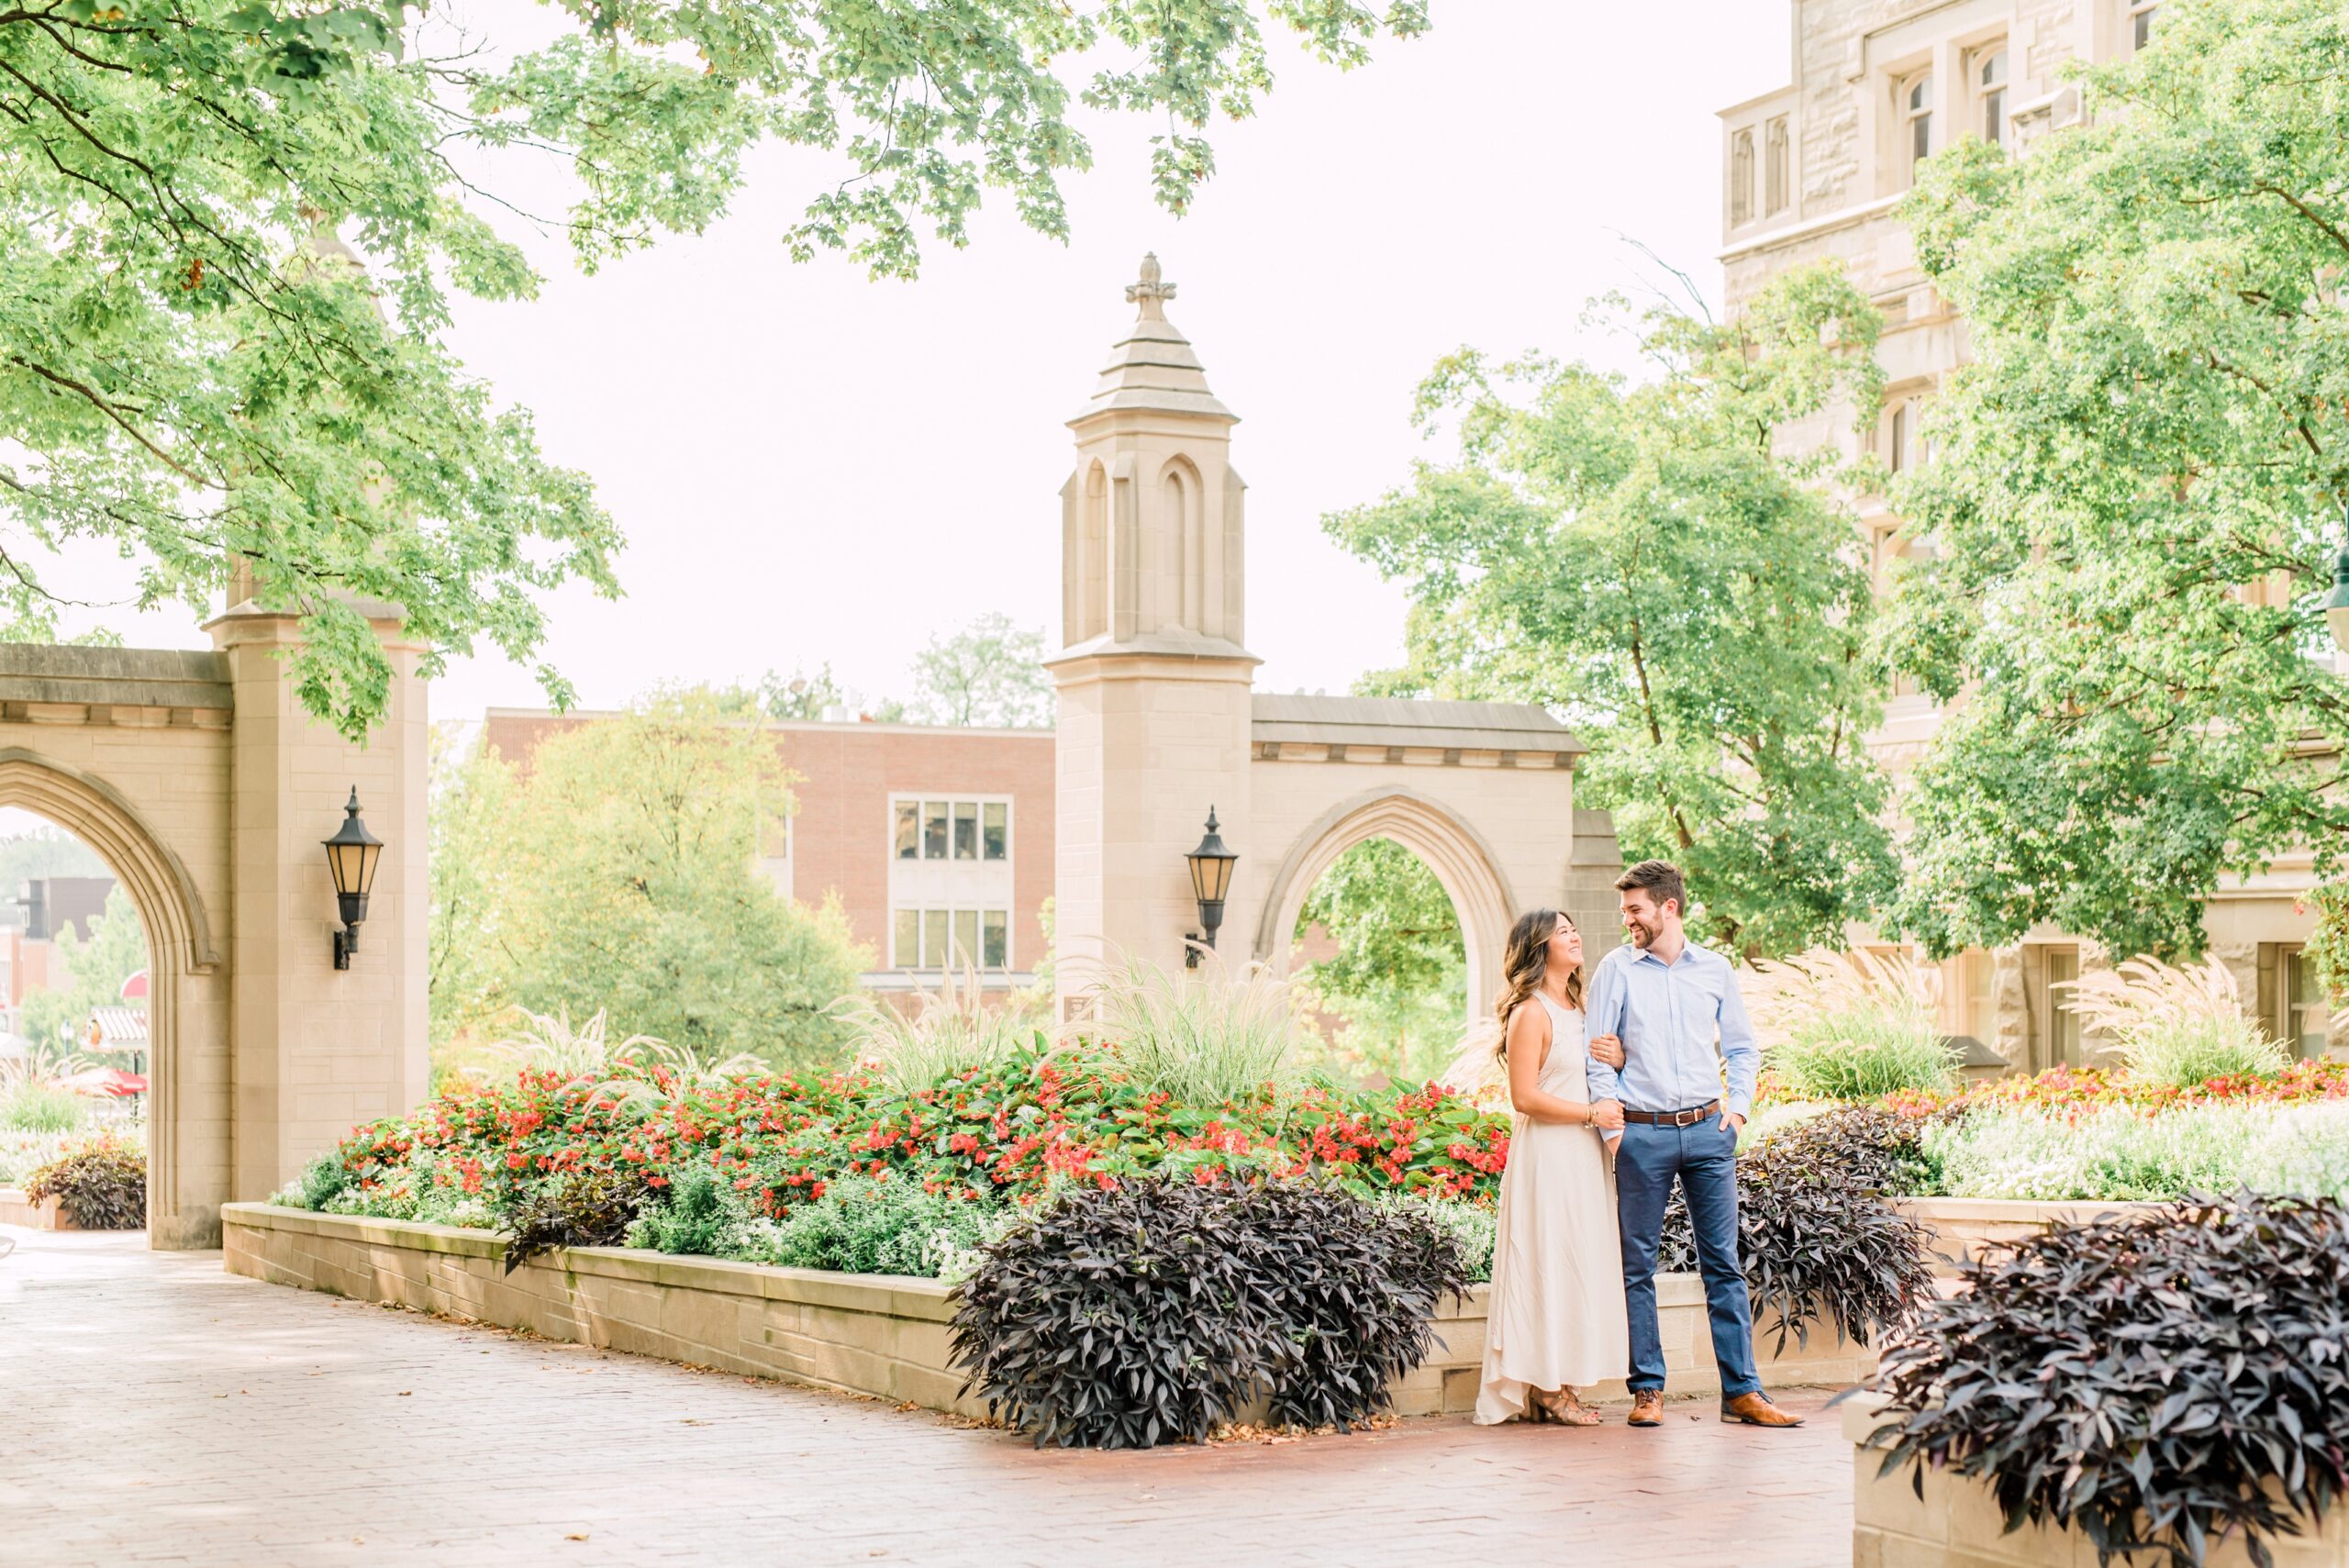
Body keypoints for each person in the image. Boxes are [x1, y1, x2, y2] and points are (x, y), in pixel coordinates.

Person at [1585, 859, 1803, 1429]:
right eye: (1625, 909)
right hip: (1643, 1134)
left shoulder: (1714, 969)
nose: (1627, 919)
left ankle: (1742, 1392)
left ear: (1669, 907)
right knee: (1638, 1267)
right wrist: (1615, 1133)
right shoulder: (1616, 969)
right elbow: (1597, 1054)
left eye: (1636, 909)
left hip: (1709, 1132)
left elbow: (1741, 1048)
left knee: (1724, 1265)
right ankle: (1648, 1389)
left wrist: (1738, 1110)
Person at [1473, 908, 1631, 1427]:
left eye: (1573, 928)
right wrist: (1590, 1113)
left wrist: (1619, 1058)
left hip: (1585, 1156)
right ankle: (1547, 1387)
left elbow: (1593, 1072)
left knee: (1579, 1264)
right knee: (1548, 1263)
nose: (1575, 935)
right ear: (1539, 947)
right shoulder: (1531, 1013)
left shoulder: (1582, 1007)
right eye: (1562, 932)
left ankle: (1562, 1382)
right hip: (1548, 1157)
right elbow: (1524, 1097)